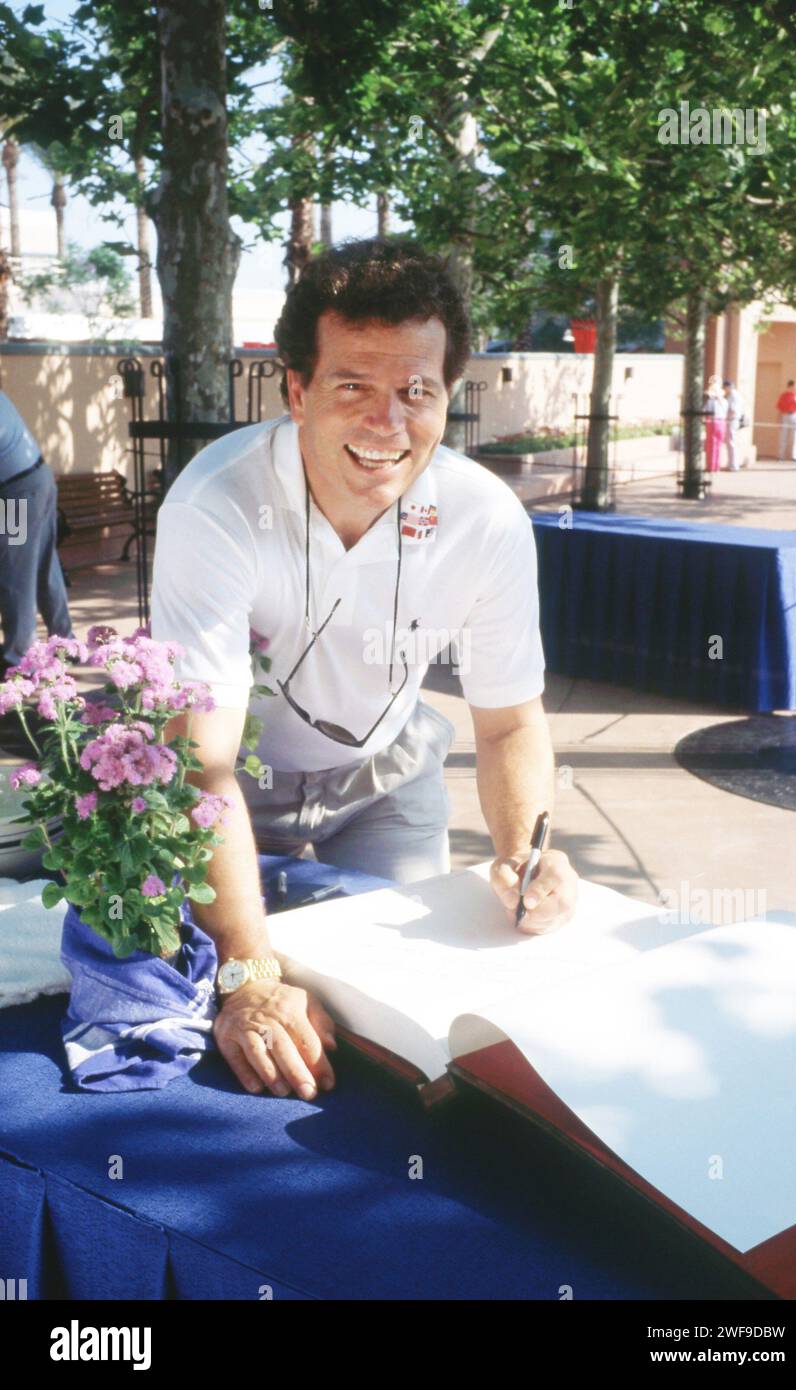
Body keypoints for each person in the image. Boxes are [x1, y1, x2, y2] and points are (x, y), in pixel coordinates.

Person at [151, 237, 579, 1102]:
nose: (388, 422)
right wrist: (247, 973)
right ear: (297, 389)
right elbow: (202, 764)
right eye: (353, 386)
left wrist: (524, 854)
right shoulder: (216, 502)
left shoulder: (483, 519)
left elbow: (507, 721)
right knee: (246, 1000)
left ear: (448, 395)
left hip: (389, 779)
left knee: (415, 1032)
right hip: (244, 787)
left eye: (415, 391)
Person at [0, 388, 73, 675]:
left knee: (14, 571)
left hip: (15, 495)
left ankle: (19, 655)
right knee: (45, 566)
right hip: (38, 479)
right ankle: (64, 642)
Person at [776, 380, 796, 462]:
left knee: (794, 437)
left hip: (794, 416)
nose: (795, 388)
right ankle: (781, 456)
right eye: (793, 386)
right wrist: (779, 420)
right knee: (783, 437)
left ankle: (794, 456)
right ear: (789, 387)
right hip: (785, 415)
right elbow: (779, 409)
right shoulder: (783, 396)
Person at [703, 377, 727, 472]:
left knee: (710, 445)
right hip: (722, 422)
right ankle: (717, 466)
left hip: (712, 422)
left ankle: (710, 466)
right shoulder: (725, 402)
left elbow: (705, 412)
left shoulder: (710, 402)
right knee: (718, 445)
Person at [723, 379, 743, 471]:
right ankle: (731, 463)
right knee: (730, 443)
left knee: (731, 443)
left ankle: (734, 465)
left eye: (725, 387)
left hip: (732, 420)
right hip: (731, 420)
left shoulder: (733, 396)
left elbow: (732, 409)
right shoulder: (732, 395)